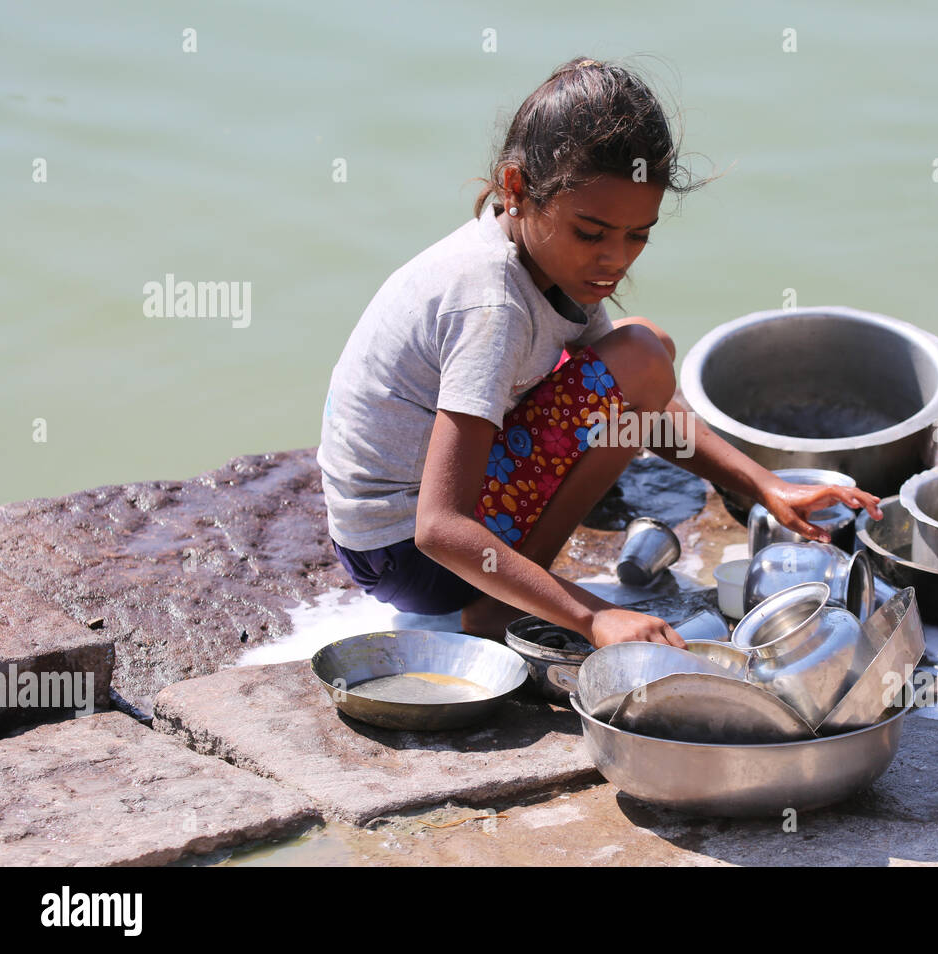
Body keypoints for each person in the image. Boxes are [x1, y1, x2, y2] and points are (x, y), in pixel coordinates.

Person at [317, 56, 883, 648]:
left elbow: (637, 403)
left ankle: (507, 586)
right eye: (591, 233)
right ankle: (493, 607)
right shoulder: (492, 305)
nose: (615, 260)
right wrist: (593, 616)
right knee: (640, 356)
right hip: (417, 556)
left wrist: (763, 483)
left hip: (391, 547)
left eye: (637, 235)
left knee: (645, 350)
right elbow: (438, 528)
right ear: (517, 188)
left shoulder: (545, 262)